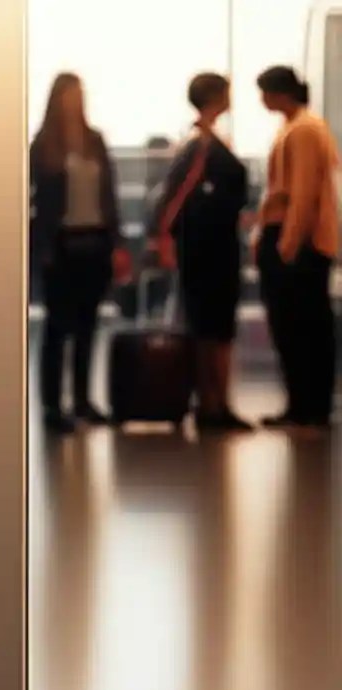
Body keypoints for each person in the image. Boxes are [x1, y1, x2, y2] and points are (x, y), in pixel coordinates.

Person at [149, 73, 253, 430]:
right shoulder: (200, 143)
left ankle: (216, 401)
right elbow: (175, 194)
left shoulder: (204, 140)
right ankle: (212, 403)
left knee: (214, 325)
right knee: (212, 325)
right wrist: (163, 239)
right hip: (207, 248)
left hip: (213, 245)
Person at [31, 73, 132, 433]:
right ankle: (52, 405)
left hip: (95, 242)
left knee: (89, 326)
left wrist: (118, 242)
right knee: (58, 327)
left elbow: (110, 195)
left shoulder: (95, 141)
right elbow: (35, 201)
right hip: (60, 246)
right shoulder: (43, 145)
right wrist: (39, 245)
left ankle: (83, 399)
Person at [254, 66, 338, 428]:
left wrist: (288, 244)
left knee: (298, 326)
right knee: (302, 325)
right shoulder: (300, 126)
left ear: (279, 93)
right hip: (299, 239)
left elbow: (302, 193)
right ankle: (303, 403)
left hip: (298, 240)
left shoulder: (303, 130)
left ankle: (307, 406)